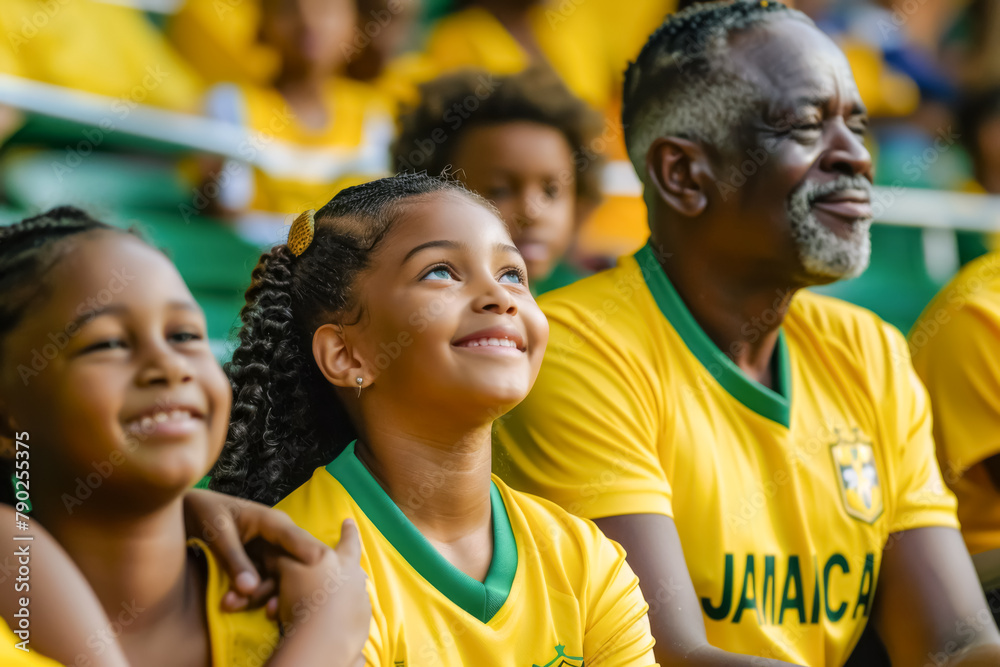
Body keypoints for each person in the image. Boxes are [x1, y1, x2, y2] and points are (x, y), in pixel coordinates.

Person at [493, 2, 1000, 665]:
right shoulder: (577, 350)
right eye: (807, 126)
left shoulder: (869, 350)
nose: (856, 158)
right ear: (683, 174)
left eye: (858, 125)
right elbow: (667, 654)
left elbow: (954, 642)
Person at [209, 172, 657, 665]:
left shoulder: (586, 560)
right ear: (345, 355)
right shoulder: (304, 563)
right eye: (440, 271)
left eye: (512, 274)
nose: (499, 297)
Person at [0, 207, 371, 666]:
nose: (169, 365)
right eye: (108, 343)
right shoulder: (322, 626)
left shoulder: (286, 609)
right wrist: (324, 643)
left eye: (184, 335)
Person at [393, 68, 604, 294]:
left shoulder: (587, 300)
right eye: (500, 190)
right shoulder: (411, 305)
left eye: (551, 192)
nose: (532, 212)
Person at [200, 0, 393, 234]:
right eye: (289, 9)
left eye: (325, 10)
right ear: (262, 26)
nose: (308, 22)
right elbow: (231, 216)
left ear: (356, 26)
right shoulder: (230, 106)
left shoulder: (374, 112)